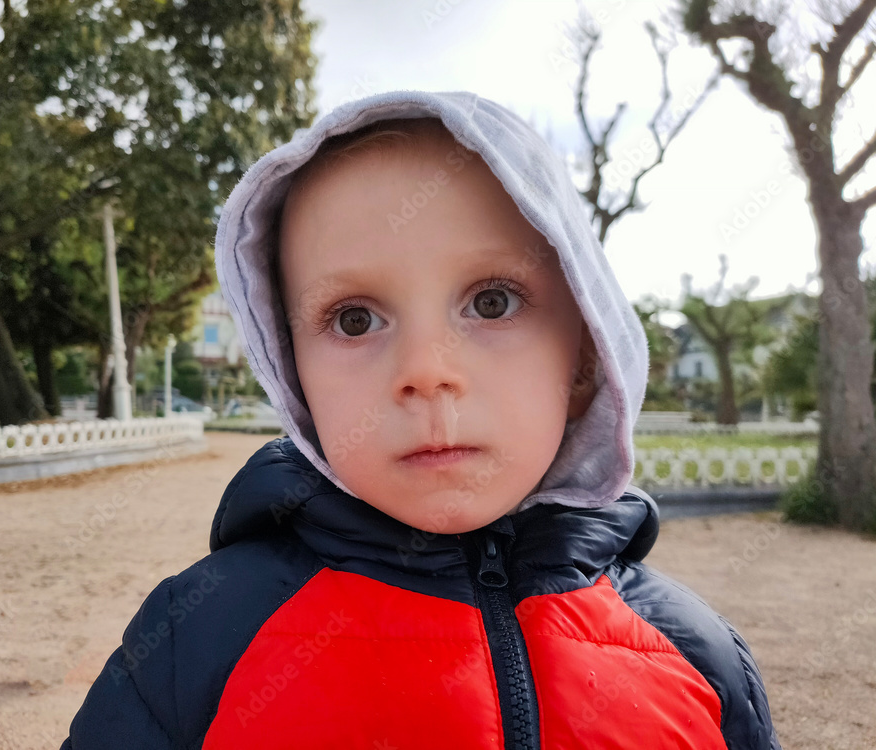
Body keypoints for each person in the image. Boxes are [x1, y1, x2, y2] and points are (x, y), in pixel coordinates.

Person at [60, 90, 782, 749]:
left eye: (492, 302)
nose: (426, 368)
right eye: (354, 318)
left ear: (587, 356)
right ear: (291, 372)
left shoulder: (696, 653)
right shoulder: (197, 640)